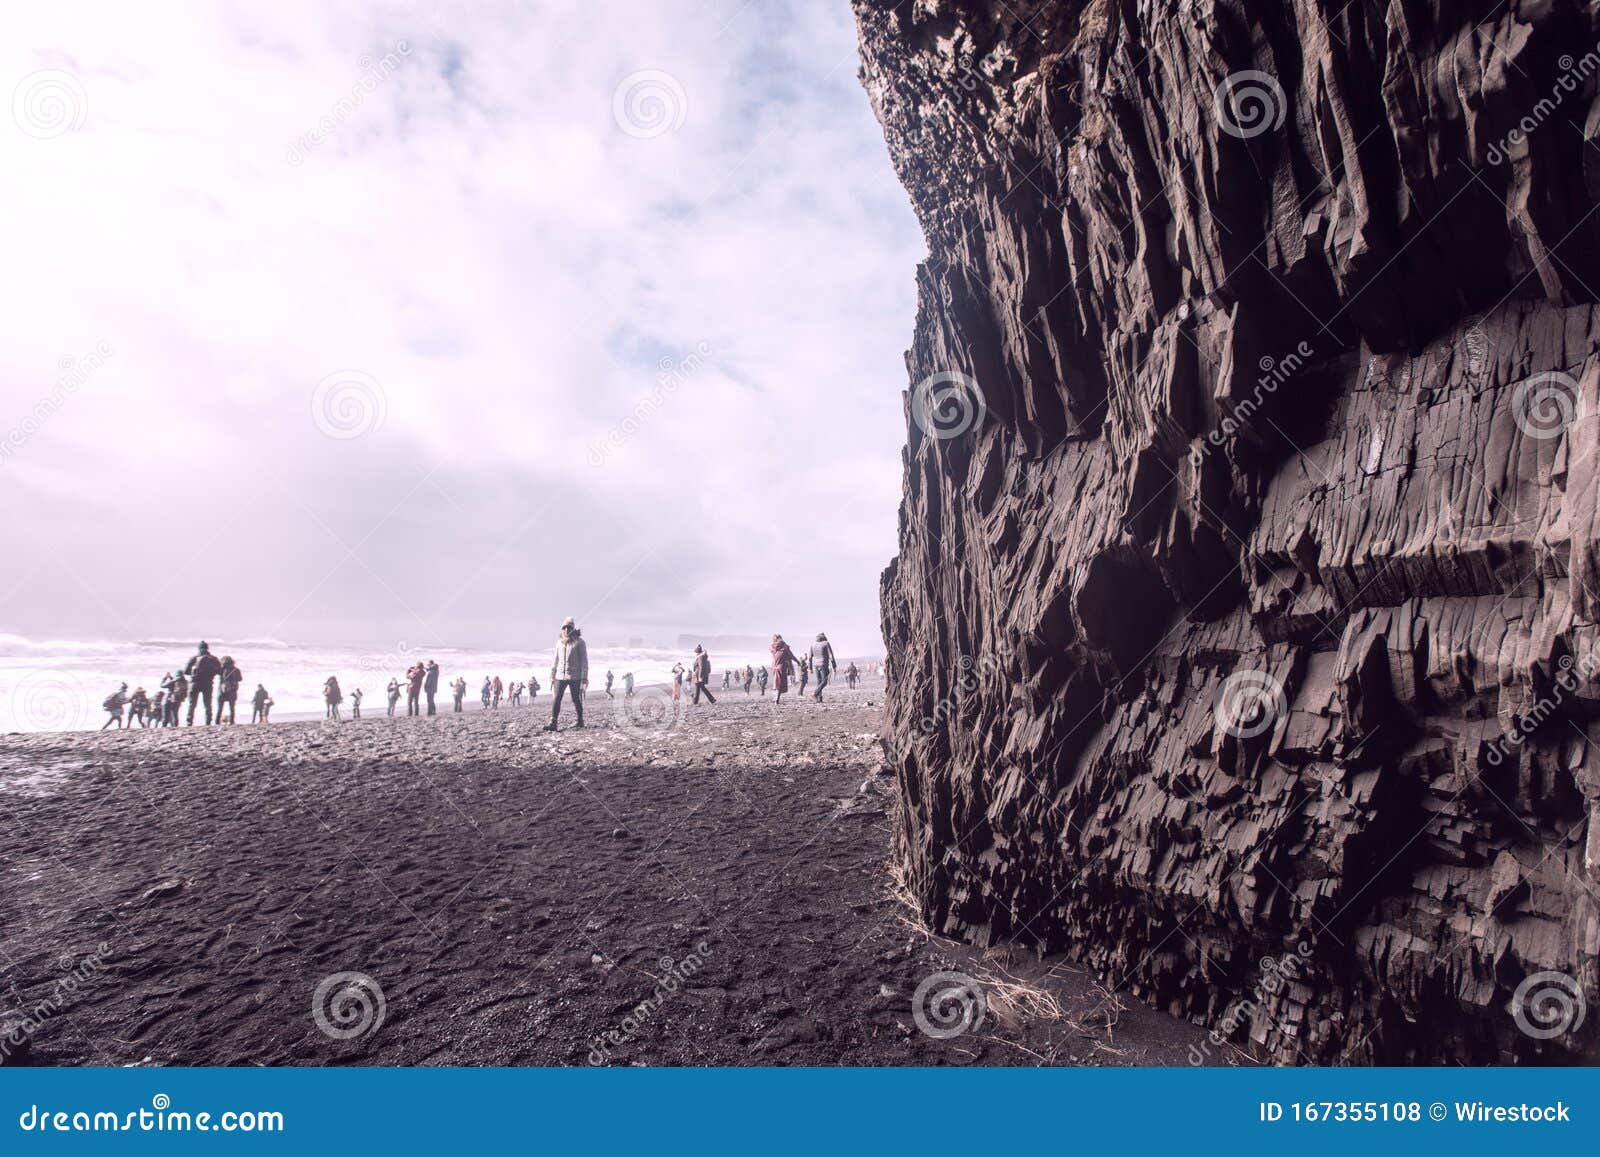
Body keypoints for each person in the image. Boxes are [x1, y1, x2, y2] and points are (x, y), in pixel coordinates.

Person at [545, 616, 588, 731]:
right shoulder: (559, 642)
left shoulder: (579, 642)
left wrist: (584, 677)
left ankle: (580, 721)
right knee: (557, 698)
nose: (566, 630)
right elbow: (555, 660)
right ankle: (553, 722)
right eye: (564, 627)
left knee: (575, 699)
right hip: (560, 676)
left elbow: (584, 661)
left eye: (569, 627)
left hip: (575, 676)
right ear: (562, 629)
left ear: (573, 628)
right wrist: (552, 675)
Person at [185, 641, 222, 726]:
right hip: (208, 683)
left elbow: (186, 671)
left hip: (195, 683)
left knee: (192, 704)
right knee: (208, 704)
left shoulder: (194, 658)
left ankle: (189, 722)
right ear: (207, 648)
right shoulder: (213, 659)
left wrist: (194, 673)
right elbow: (220, 671)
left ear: (199, 648)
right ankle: (208, 721)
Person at [771, 635, 801, 704]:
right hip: (782, 667)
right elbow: (791, 656)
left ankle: (775, 699)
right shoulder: (784, 647)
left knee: (776, 683)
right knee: (780, 684)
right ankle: (776, 700)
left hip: (774, 666)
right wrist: (798, 662)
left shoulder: (773, 647)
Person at [810, 632, 837, 700]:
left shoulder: (813, 645)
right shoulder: (826, 643)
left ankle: (819, 698)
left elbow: (810, 657)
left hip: (816, 665)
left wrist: (810, 668)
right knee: (824, 681)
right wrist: (834, 666)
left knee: (819, 681)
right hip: (823, 664)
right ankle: (815, 693)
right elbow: (831, 656)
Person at [217, 656, 243, 724]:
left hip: (222, 690)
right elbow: (240, 679)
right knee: (232, 707)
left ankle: (217, 721)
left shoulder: (221, 669)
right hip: (232, 690)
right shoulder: (236, 670)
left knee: (220, 708)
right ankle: (231, 721)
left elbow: (215, 673)